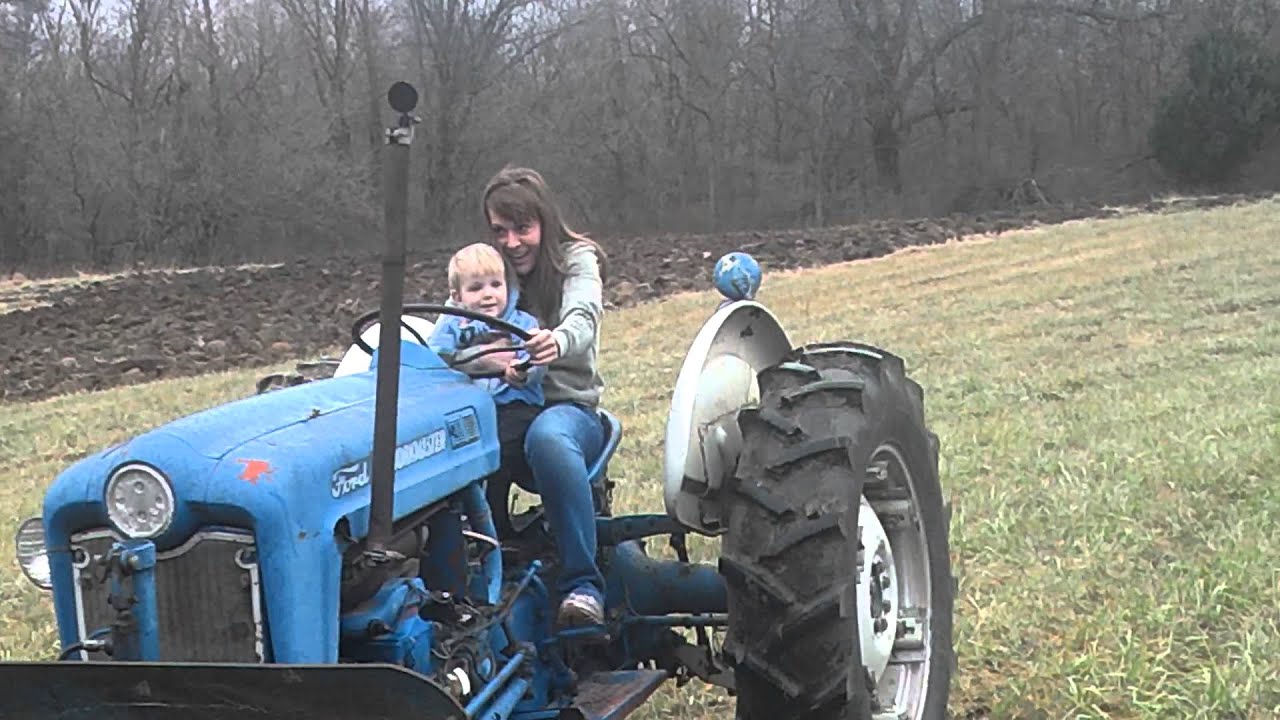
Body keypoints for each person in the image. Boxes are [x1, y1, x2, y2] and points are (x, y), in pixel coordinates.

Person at [479, 165, 609, 628]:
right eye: (500, 231)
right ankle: (480, 568)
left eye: (522, 228)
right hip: (506, 405)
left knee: (548, 439)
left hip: (566, 408)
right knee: (458, 440)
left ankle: (583, 586)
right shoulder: (490, 272)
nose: (511, 242)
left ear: (545, 222)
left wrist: (558, 340)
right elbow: (458, 325)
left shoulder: (577, 260)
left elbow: (583, 315)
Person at [426, 243, 548, 507]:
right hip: (467, 411)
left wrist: (522, 371)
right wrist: (472, 357)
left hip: (514, 406)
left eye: (496, 284)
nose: (488, 295)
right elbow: (436, 355)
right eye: (476, 288)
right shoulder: (452, 324)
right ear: (457, 296)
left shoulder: (522, 323)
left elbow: (536, 361)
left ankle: (493, 520)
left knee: (494, 452)